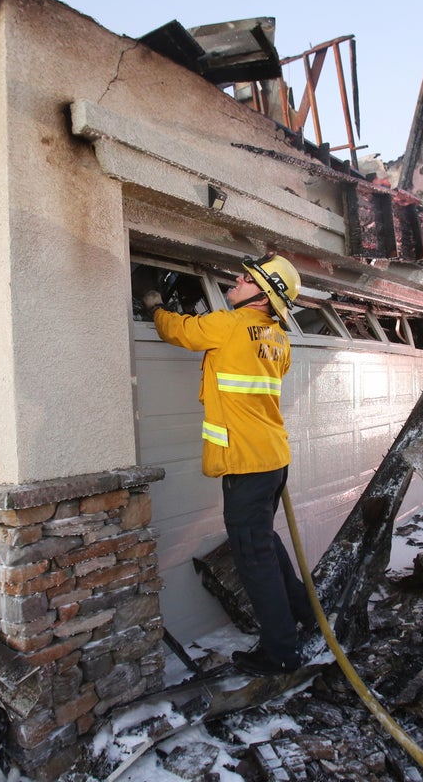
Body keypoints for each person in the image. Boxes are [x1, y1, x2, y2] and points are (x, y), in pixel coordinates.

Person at [143, 253, 315, 676]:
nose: (236, 281)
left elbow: (178, 330)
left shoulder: (228, 325)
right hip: (272, 459)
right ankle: (305, 614)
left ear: (263, 296)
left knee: (252, 556)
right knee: (265, 543)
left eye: (246, 279)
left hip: (246, 463)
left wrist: (152, 305)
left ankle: (280, 652)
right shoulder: (279, 339)